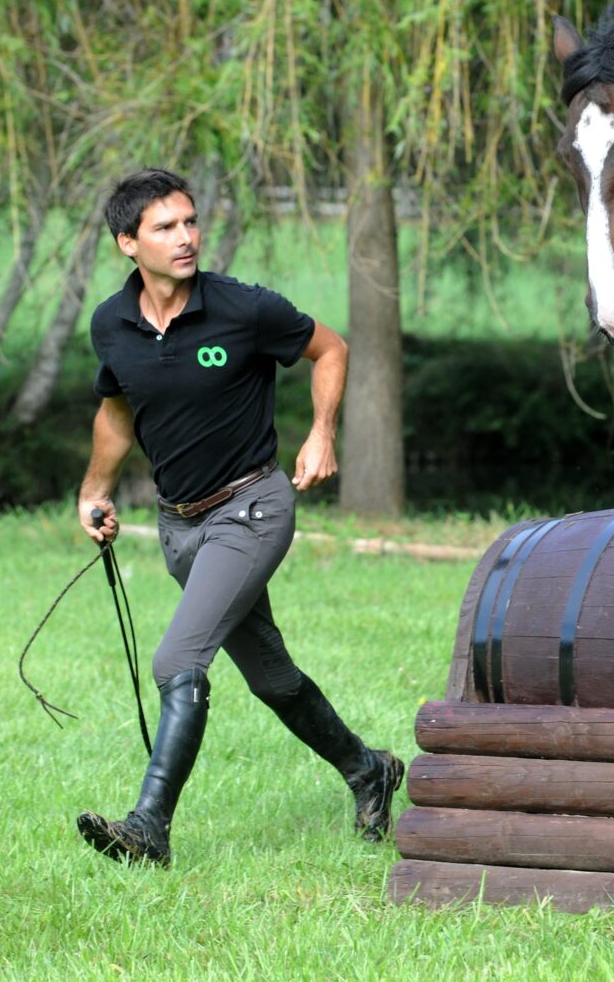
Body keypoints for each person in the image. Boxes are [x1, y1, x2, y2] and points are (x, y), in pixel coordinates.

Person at [74, 166, 403, 867]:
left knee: (178, 660)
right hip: (179, 526)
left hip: (252, 508)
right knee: (272, 678)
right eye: (166, 227)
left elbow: (330, 347)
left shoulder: (242, 309)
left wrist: (321, 432)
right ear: (128, 243)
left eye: (191, 221)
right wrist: (95, 490)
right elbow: (117, 409)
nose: (186, 237)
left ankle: (148, 829)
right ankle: (367, 769)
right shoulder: (112, 323)